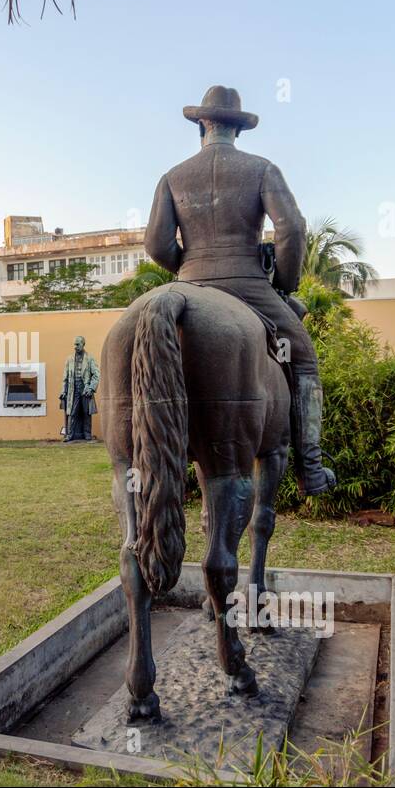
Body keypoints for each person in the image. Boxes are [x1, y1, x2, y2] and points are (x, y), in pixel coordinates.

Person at [142, 85, 335, 495]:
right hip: (249, 285)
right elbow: (292, 228)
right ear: (239, 129)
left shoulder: (172, 177)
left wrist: (189, 269)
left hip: (189, 282)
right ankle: (312, 467)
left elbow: (156, 245)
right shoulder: (262, 169)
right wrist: (285, 283)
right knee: (303, 362)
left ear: (202, 125)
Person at [59, 335, 99, 441]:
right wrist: (63, 391)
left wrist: (91, 388)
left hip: (85, 390)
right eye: (74, 344)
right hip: (74, 390)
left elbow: (96, 375)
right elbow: (65, 378)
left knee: (86, 412)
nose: (75, 346)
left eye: (77, 344)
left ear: (83, 344)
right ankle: (69, 435)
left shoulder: (89, 358)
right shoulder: (69, 359)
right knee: (72, 412)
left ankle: (87, 434)